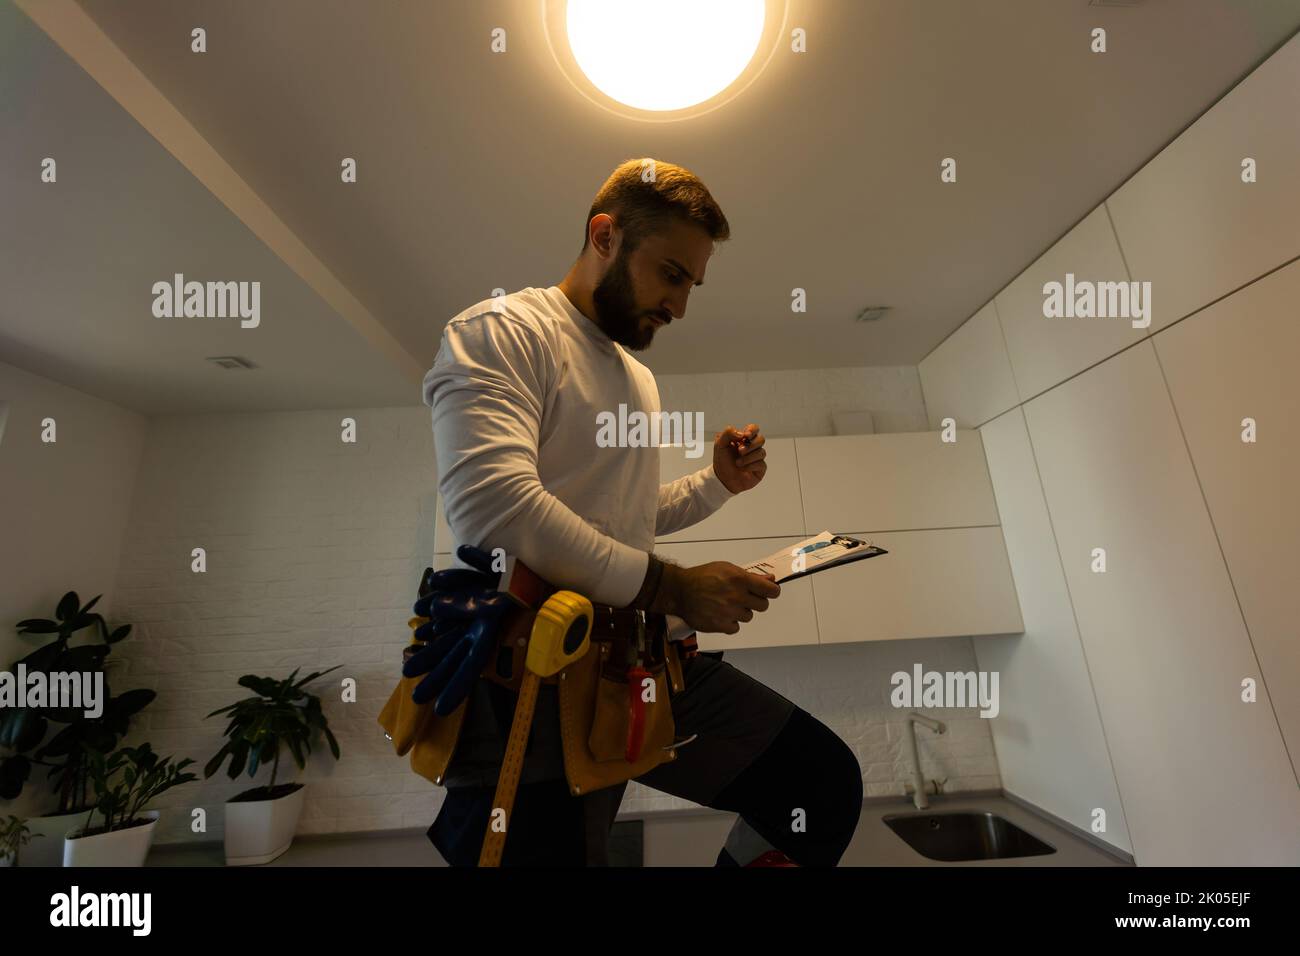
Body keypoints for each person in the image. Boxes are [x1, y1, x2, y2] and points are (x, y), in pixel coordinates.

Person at [421, 157, 862, 866]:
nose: (681, 306)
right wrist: (673, 585)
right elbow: (496, 511)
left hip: (640, 661)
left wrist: (714, 483)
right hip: (530, 677)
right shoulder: (503, 330)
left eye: (693, 284)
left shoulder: (639, 378)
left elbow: (620, 519)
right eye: (672, 274)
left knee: (818, 782)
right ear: (605, 236)